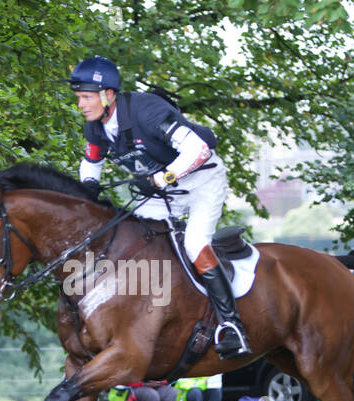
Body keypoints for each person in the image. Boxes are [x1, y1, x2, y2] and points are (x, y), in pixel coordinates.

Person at [69, 56, 251, 358]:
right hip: (164, 191)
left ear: (108, 94)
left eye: (86, 97)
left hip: (202, 182)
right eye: (79, 98)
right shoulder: (96, 127)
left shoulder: (148, 110)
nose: (81, 105)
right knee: (135, 242)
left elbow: (199, 150)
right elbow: (91, 162)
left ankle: (231, 326)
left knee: (194, 244)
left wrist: (160, 178)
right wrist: (88, 185)